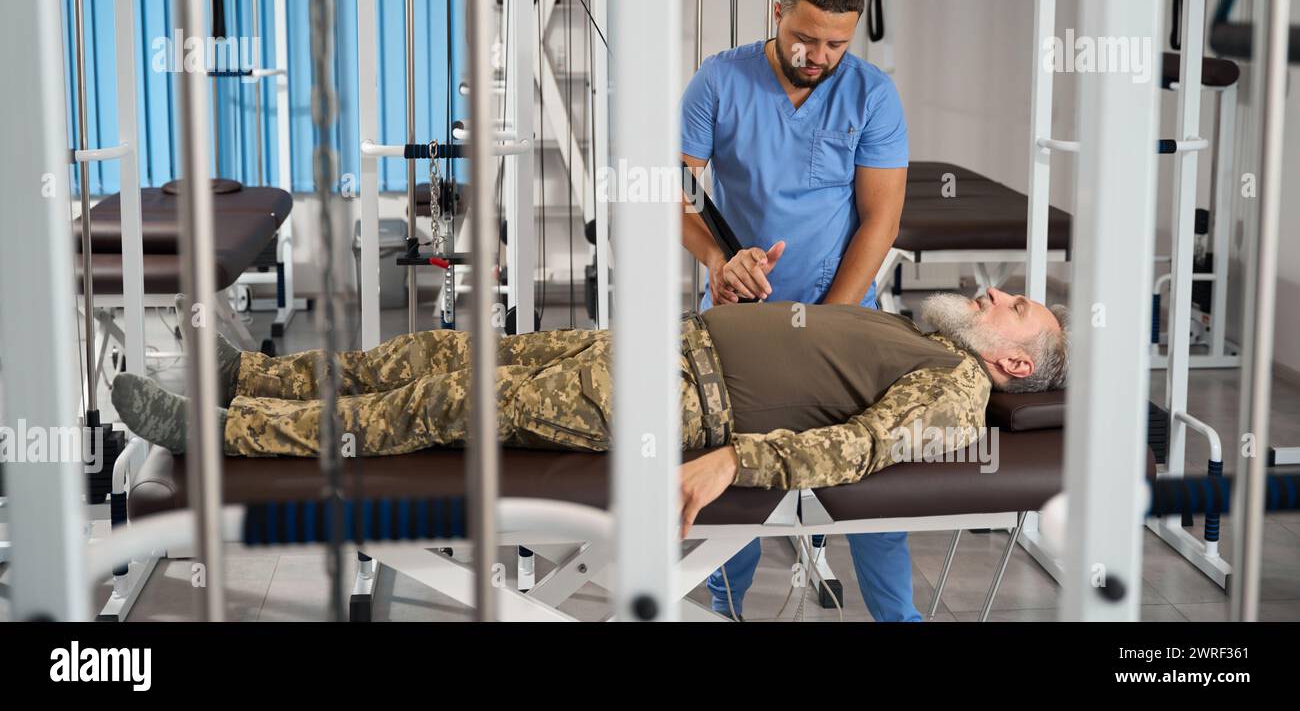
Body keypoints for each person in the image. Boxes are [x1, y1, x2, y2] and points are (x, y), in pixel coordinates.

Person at [112, 289, 1068, 539]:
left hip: (675, 397)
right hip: (665, 344)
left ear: (1016, 360)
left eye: (1016, 307)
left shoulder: (959, 390)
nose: (997, 293)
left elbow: (858, 449)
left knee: (451, 399)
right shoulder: (923, 337)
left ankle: (224, 433)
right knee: (442, 352)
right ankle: (259, 383)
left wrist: (737, 463)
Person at [680, 0, 914, 618]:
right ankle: (723, 609)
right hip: (738, 316)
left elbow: (881, 219)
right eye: (804, 39)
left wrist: (829, 326)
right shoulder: (720, 81)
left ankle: (898, 618)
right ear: (776, 14)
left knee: (871, 489)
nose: (817, 56)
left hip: (840, 320)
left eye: (836, 43)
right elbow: (678, 194)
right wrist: (717, 262)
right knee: (730, 483)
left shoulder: (872, 94)